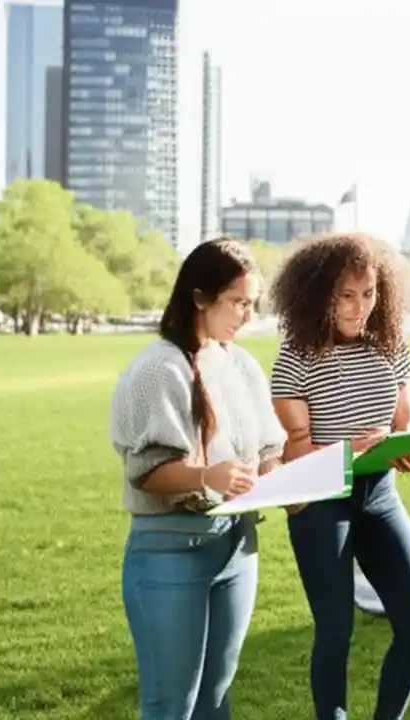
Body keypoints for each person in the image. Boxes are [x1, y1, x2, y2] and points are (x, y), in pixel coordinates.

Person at [108, 238, 287, 719]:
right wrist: (209, 475)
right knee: (171, 706)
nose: (247, 316)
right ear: (200, 298)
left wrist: (281, 479)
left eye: (252, 303)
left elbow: (268, 448)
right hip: (171, 553)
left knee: (215, 697)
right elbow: (146, 472)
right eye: (237, 302)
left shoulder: (241, 364)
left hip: (238, 548)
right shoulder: (159, 369)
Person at [268, 233, 410, 720]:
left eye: (369, 294)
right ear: (319, 293)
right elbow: (295, 452)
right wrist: (350, 450)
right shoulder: (296, 357)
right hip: (321, 502)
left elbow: (404, 426)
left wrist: (409, 452)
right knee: (335, 630)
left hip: (380, 498)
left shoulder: (392, 346)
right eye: (346, 295)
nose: (360, 307)